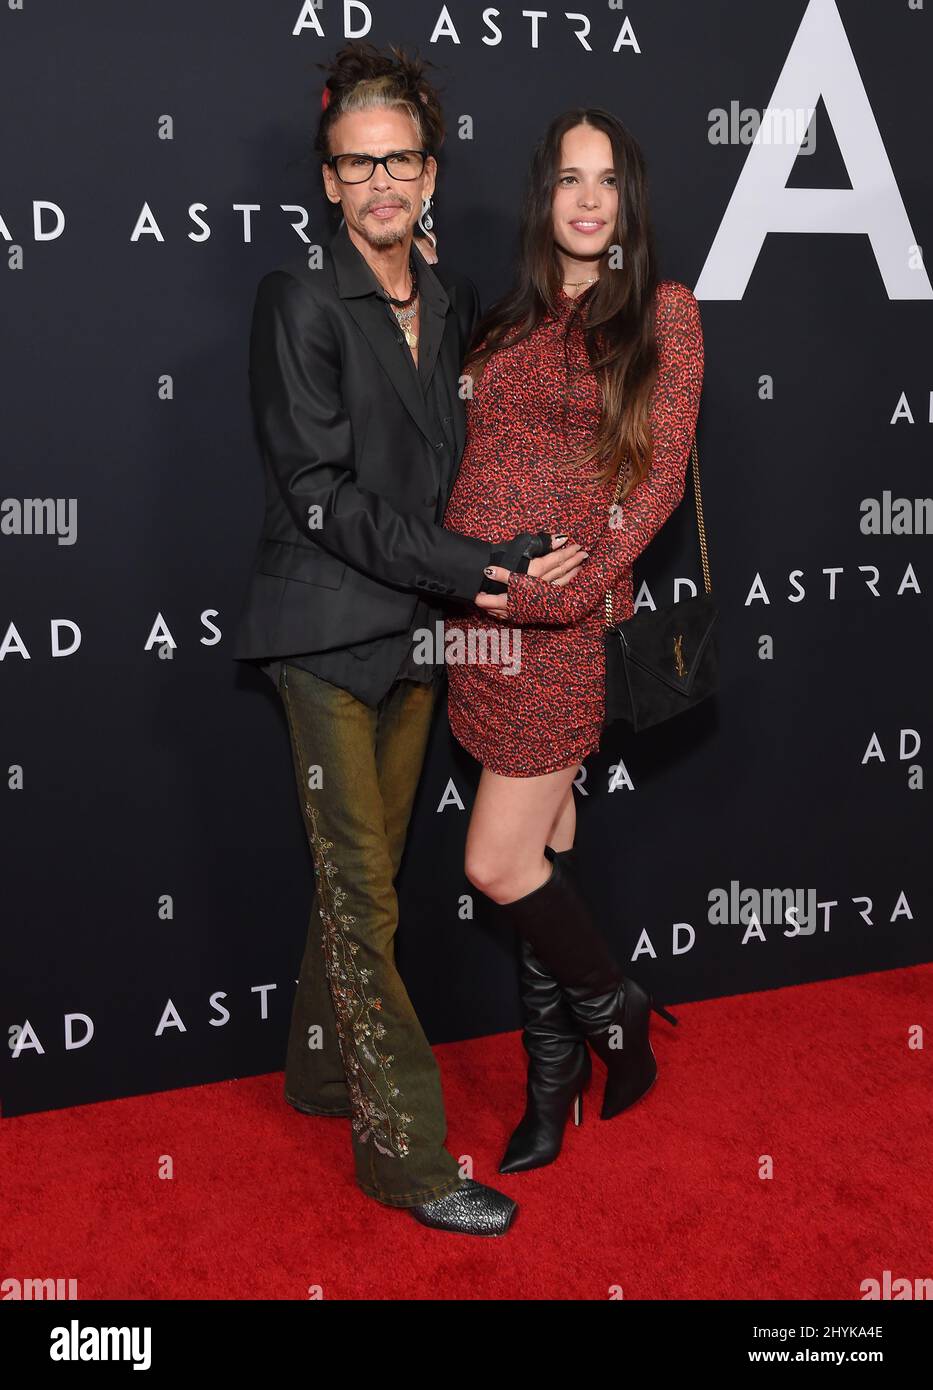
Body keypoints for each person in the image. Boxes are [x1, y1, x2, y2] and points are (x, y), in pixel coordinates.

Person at [233, 43, 587, 1235]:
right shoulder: (297, 300)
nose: (378, 181)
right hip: (325, 634)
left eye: (399, 160)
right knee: (360, 893)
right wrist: (480, 570)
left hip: (416, 634)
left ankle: (321, 1073)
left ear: (429, 174)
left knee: (363, 884)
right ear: (329, 183)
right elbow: (324, 493)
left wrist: (537, 548)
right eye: (355, 164)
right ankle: (409, 1159)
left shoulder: (445, 300)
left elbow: (463, 468)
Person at [442, 108, 705, 1172]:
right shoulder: (503, 321)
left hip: (561, 631)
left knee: (494, 859)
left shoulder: (664, 315)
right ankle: (554, 1087)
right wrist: (466, 579)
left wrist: (560, 597)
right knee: (545, 851)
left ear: (628, 201)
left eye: (607, 180)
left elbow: (653, 487)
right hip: (477, 630)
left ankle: (619, 1007)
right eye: (568, 179)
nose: (588, 199)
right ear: (542, 199)